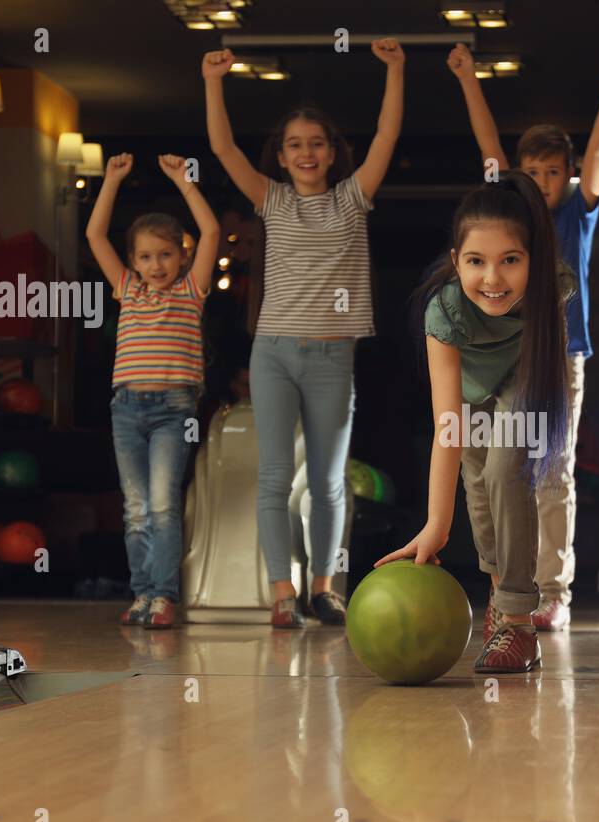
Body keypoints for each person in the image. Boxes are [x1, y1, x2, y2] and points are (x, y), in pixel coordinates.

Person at [202, 40, 404, 628]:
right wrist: (213, 81)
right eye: (295, 144)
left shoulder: (353, 198)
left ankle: (324, 587)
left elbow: (388, 138)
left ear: (333, 151)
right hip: (273, 353)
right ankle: (281, 593)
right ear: (283, 156)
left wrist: (394, 70)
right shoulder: (271, 199)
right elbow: (221, 146)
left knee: (327, 478)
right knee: (272, 475)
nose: (307, 152)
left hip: (332, 355)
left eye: (317, 142)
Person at [446, 41, 599, 630]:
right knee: (490, 469)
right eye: (537, 171)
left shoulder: (578, 213)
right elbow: (487, 147)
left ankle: (554, 591)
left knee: (552, 471)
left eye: (557, 171)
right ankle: (507, 582)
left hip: (560, 357)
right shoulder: (511, 217)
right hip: (501, 357)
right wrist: (468, 77)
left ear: (571, 175)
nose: (547, 181)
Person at [377, 171, 569, 673]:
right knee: (481, 492)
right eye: (476, 262)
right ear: (456, 261)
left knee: (507, 470)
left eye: (510, 260)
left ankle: (519, 623)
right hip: (471, 397)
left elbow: (545, 363)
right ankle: (499, 593)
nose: (493, 278)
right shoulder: (444, 312)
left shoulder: (554, 288)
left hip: (524, 379)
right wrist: (435, 528)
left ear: (534, 260)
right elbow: (448, 425)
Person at [85, 152, 220, 628]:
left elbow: (211, 232)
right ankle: (141, 594)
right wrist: (111, 182)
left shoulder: (192, 290)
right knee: (135, 508)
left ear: (182, 255)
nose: (156, 264)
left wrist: (186, 182)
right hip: (126, 408)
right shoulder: (128, 290)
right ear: (132, 262)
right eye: (145, 256)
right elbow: (94, 235)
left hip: (173, 409)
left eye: (166, 254)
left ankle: (163, 596)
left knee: (163, 504)